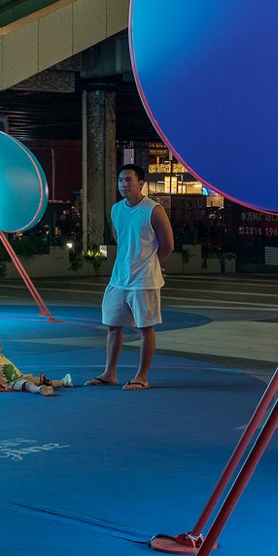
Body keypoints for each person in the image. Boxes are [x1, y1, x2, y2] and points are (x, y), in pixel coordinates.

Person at [86, 164, 174, 390]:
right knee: (113, 326)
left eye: (129, 180)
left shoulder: (153, 210)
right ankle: (109, 373)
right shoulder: (116, 210)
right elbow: (119, 239)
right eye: (120, 180)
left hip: (144, 280)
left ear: (141, 183)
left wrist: (153, 265)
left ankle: (142, 376)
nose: (124, 184)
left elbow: (168, 245)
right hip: (119, 278)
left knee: (146, 328)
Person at [0, 329, 72, 396]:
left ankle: (63, 382)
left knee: (41, 380)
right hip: (13, 383)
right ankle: (40, 390)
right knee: (28, 385)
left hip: (21, 377)